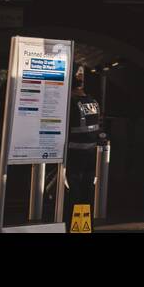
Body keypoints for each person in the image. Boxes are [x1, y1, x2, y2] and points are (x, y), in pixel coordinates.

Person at [64, 65, 101, 228]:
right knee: (88, 192)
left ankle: (72, 225)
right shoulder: (93, 102)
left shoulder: (71, 103)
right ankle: (86, 226)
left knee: (74, 192)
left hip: (75, 153)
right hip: (91, 154)